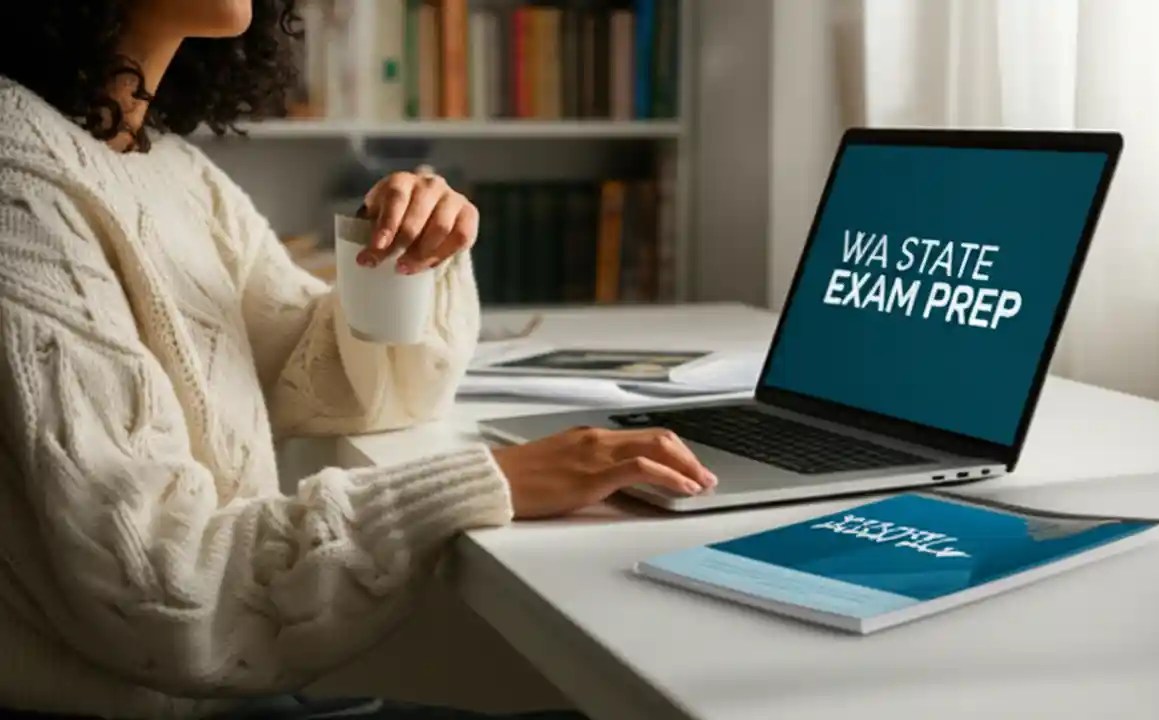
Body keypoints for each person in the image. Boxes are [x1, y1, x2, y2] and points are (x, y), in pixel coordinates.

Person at [0, 1, 717, 718]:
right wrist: (480, 482)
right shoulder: (17, 177)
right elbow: (164, 585)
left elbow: (338, 386)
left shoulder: (172, 170)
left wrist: (401, 251)